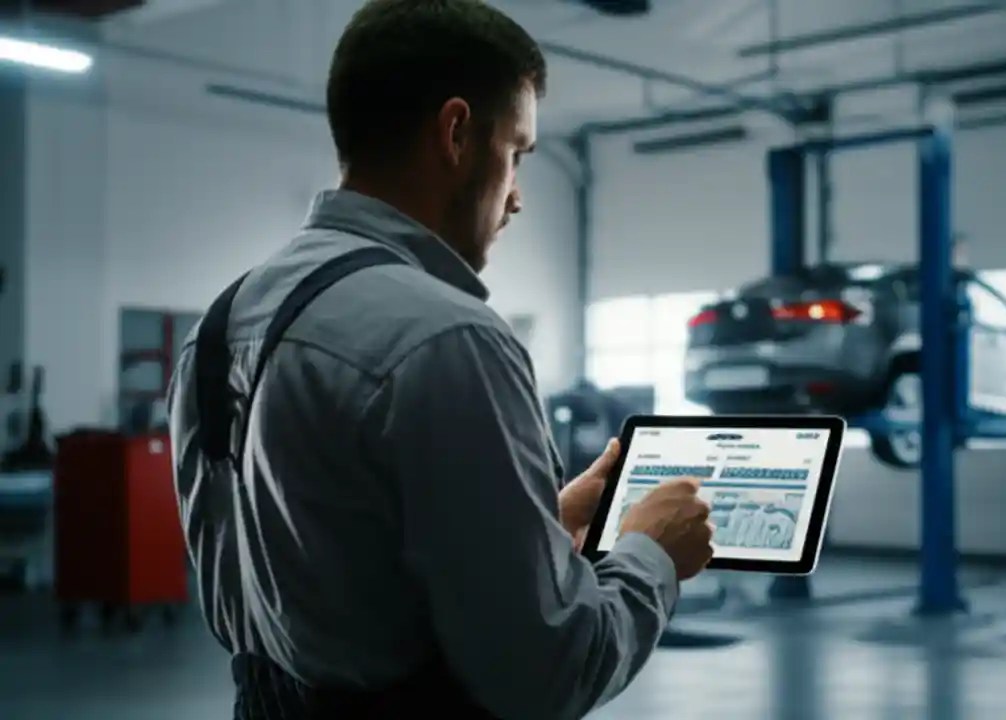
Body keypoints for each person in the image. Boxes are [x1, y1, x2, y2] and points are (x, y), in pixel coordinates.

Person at [165, 1, 715, 718]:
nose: (516, 195)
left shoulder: (219, 323)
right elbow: (548, 673)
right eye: (516, 152)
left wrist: (544, 519)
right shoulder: (450, 338)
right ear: (456, 131)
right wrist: (652, 554)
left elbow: (339, 564)